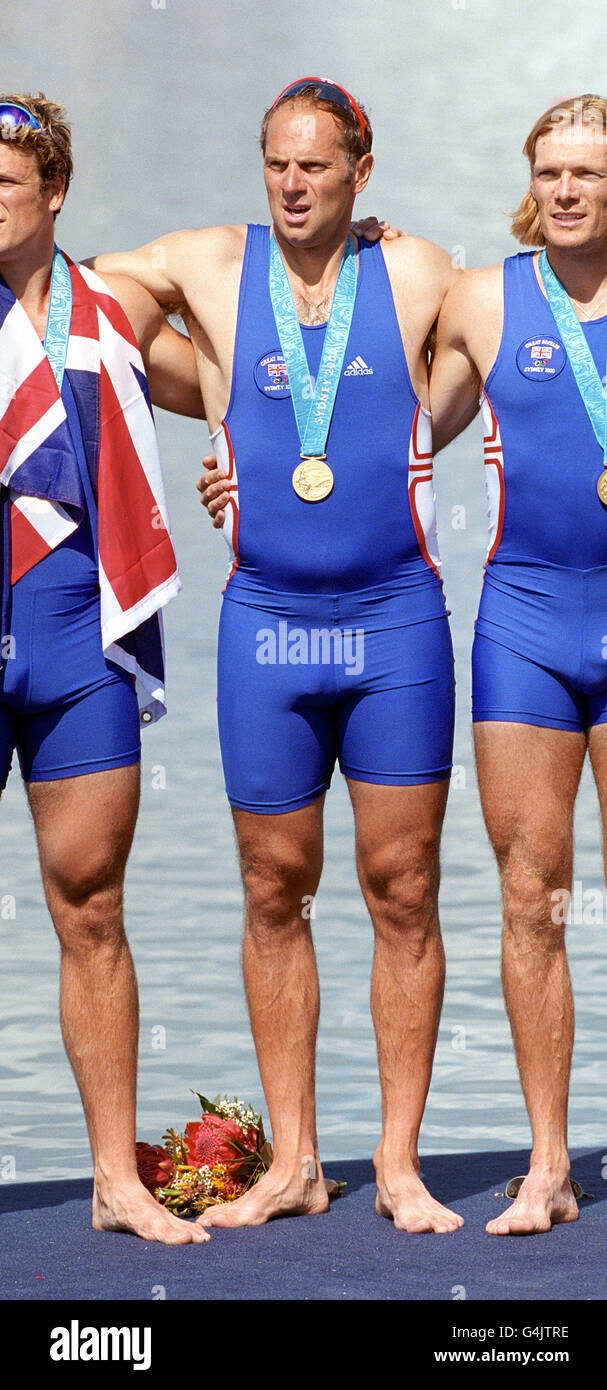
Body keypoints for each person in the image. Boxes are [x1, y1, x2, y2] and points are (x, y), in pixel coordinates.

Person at [91, 78, 464, 1233]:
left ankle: (396, 1163)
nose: (293, 186)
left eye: (315, 167)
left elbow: (506, 353)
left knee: (401, 889)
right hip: (267, 623)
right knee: (270, 888)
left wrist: (408, 447)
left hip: (395, 619)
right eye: (276, 165)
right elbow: (86, 286)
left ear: (362, 169)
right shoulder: (207, 261)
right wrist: (210, 402)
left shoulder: (415, 270)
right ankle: (295, 1160)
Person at [0, 94, 209, 1243]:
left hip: (78, 639)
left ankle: (117, 1181)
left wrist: (252, 466)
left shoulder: (109, 311)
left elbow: (232, 387)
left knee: (92, 903)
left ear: (55, 193)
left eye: (2, 183)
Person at [428, 92, 607, 1235]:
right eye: (546, 172)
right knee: (530, 897)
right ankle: (547, 1165)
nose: (561, 191)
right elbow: (394, 434)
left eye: (585, 175)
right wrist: (245, 475)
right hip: (525, 629)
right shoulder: (484, 299)